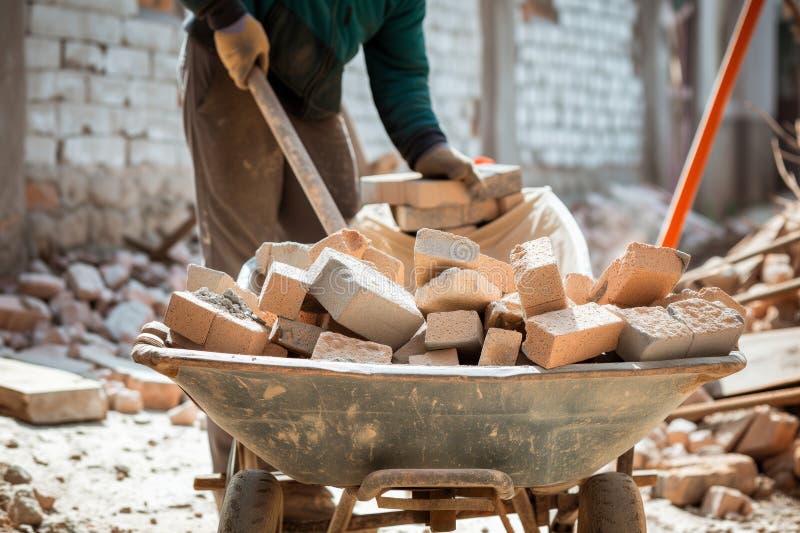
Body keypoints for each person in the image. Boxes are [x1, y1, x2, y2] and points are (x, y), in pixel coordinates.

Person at [177, 0, 481, 520]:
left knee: (345, 272)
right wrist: (225, 13)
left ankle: (315, 465)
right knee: (237, 288)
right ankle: (244, 477)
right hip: (234, 57)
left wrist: (426, 143)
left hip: (313, 97)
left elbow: (401, 69)